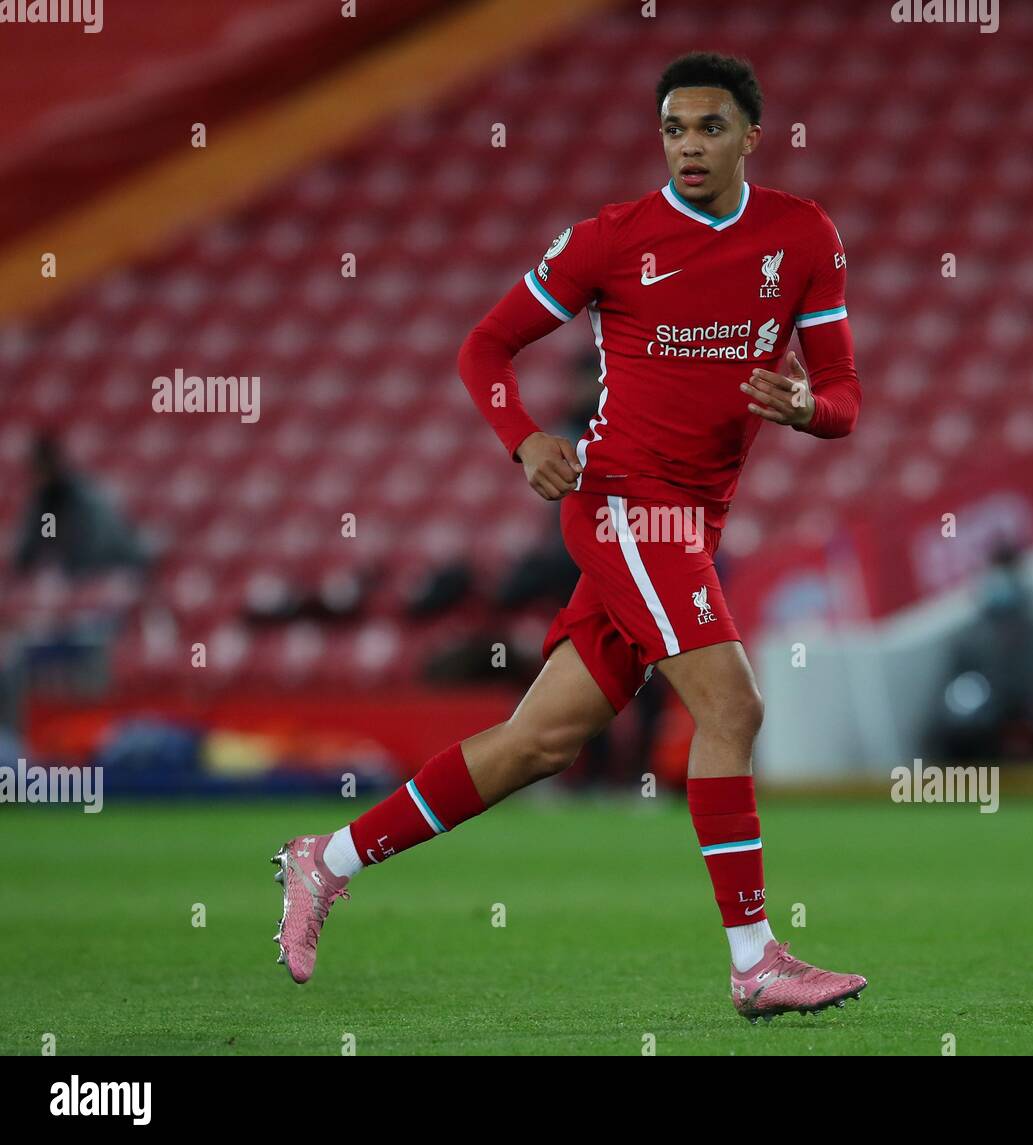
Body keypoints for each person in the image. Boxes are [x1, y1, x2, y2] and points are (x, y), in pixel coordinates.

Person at [271, 53, 866, 1023]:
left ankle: (323, 858)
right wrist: (524, 440)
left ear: (750, 135)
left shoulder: (802, 235)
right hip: (625, 502)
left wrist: (806, 404)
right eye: (673, 128)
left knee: (538, 740)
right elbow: (484, 345)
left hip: (691, 520)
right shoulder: (614, 239)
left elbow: (844, 398)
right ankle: (754, 960)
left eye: (710, 127)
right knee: (733, 708)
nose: (689, 146)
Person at [928, 542, 1033, 761]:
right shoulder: (970, 636)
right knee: (944, 734)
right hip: (980, 714)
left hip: (1021, 711)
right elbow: (955, 683)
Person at [12, 433, 150, 577]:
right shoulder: (47, 501)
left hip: (114, 566)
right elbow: (42, 537)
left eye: (41, 467)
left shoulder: (84, 495)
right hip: (78, 571)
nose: (38, 475)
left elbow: (100, 538)